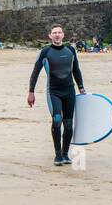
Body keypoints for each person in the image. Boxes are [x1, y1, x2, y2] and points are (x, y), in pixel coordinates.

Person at [28, 24, 87, 167]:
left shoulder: (71, 50)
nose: (57, 35)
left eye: (59, 32)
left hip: (69, 91)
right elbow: (35, 72)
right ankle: (58, 154)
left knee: (68, 124)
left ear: (63, 35)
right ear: (50, 36)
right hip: (53, 92)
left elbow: (76, 70)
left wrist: (81, 88)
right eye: (54, 33)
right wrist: (31, 92)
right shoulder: (45, 52)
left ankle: (66, 154)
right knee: (57, 120)